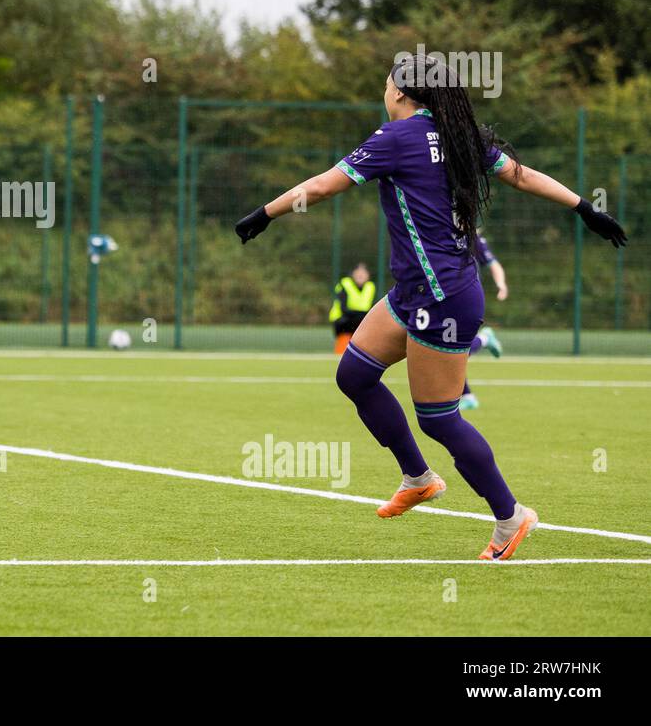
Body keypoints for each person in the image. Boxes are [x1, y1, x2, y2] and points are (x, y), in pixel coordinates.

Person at [234, 55, 626, 560]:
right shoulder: (459, 135)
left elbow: (322, 186)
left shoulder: (395, 139)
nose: (384, 87)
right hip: (415, 291)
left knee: (439, 418)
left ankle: (510, 517)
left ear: (400, 92)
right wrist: (585, 208)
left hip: (442, 295)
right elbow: (524, 177)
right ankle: (418, 478)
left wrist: (263, 214)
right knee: (353, 375)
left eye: (387, 80)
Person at [458, 230, 505, 410]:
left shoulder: (472, 239)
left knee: (452, 349)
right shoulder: (437, 231)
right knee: (448, 349)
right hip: (445, 295)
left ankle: (484, 339)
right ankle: (467, 395)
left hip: (465, 296)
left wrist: (501, 285)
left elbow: (494, 264)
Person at [329, 262, 376, 354]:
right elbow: (344, 309)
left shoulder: (370, 287)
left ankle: (367, 353)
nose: (361, 275)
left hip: (359, 319)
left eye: (363, 273)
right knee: (359, 321)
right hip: (342, 320)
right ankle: (342, 351)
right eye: (358, 272)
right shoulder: (345, 284)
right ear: (353, 273)